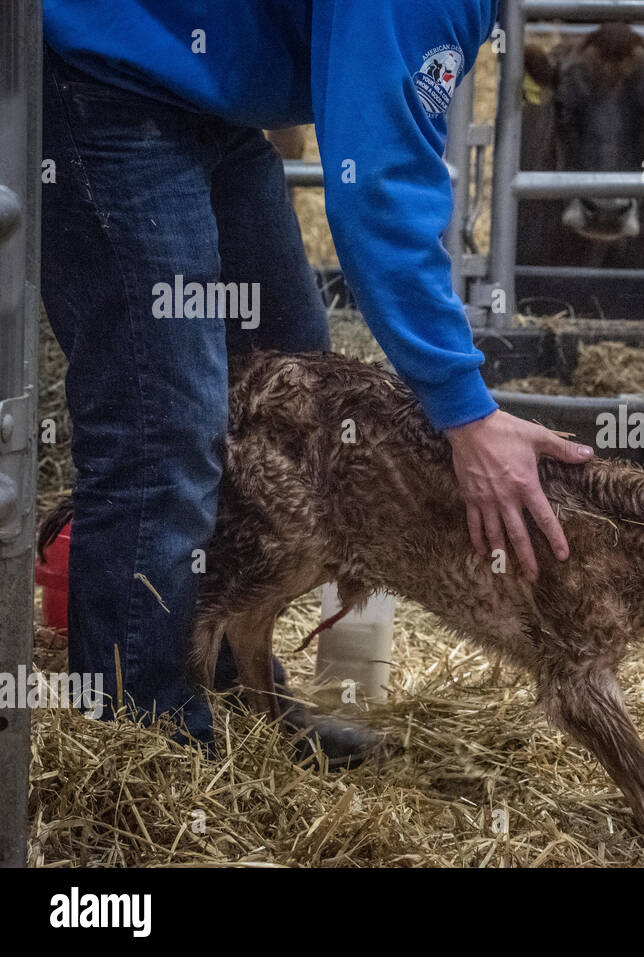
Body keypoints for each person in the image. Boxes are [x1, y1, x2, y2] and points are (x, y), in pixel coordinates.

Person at [40, 0, 592, 764]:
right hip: (104, 75)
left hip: (200, 90)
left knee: (289, 396)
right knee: (162, 429)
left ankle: (235, 692)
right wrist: (465, 410)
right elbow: (378, 189)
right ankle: (147, 745)